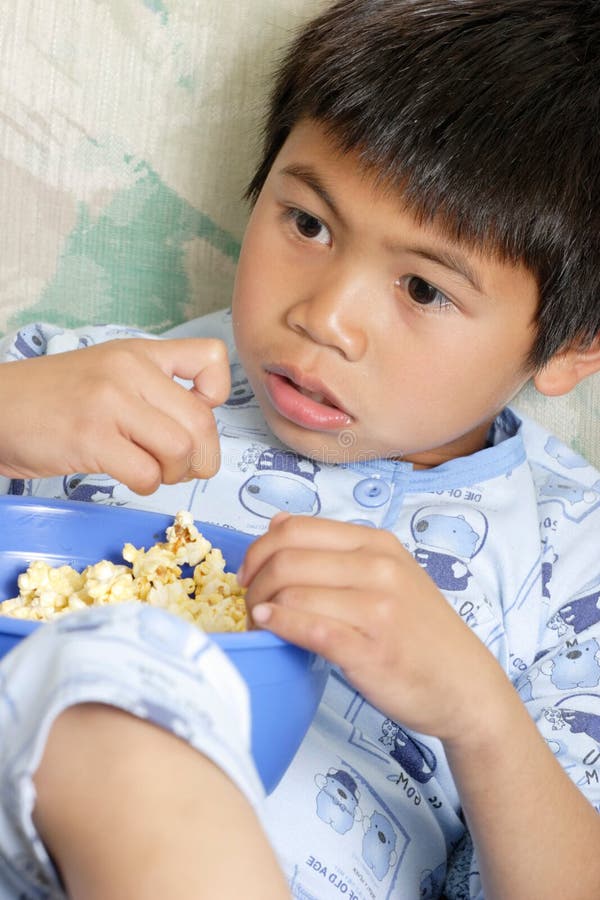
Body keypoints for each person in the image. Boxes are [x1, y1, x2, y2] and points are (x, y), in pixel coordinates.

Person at [0, 0, 599, 897]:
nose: (324, 317)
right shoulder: (88, 381)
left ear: (572, 348)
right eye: (309, 225)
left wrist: (481, 718)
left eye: (423, 290)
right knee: (112, 692)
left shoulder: (572, 555)